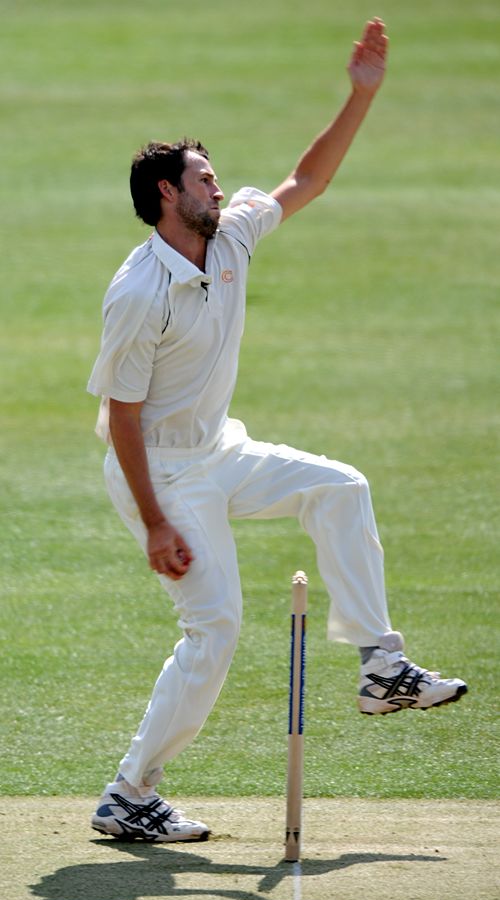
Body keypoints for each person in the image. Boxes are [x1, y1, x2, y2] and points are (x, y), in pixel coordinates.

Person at [87, 18, 466, 843]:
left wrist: (361, 95)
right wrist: (154, 522)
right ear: (167, 194)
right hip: (162, 473)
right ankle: (128, 792)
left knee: (342, 487)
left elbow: (308, 179)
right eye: (205, 178)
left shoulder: (232, 236)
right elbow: (121, 415)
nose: (219, 188)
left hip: (219, 448)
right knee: (215, 627)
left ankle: (381, 665)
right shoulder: (138, 293)